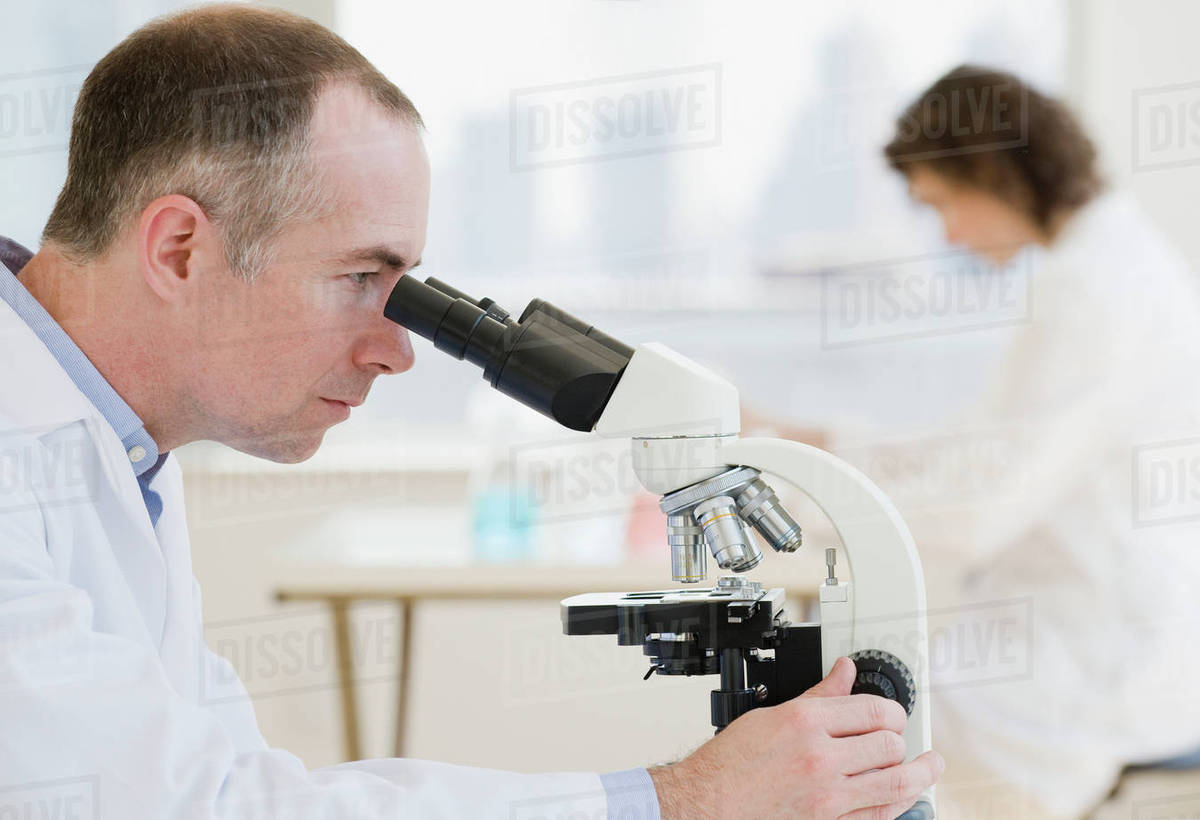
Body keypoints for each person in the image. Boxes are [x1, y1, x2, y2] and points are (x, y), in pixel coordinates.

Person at [0, 6, 942, 818]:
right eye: (359, 278)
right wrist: (684, 801)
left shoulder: (122, 454)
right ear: (177, 250)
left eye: (405, 287)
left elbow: (237, 780)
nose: (397, 348)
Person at [760, 66, 1200, 817]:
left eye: (942, 203)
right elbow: (980, 448)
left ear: (992, 171)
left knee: (838, 707)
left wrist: (811, 497)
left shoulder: (1094, 289)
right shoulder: (1101, 267)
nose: (950, 234)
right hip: (1085, 624)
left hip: (1097, 655)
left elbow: (978, 504)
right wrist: (813, 442)